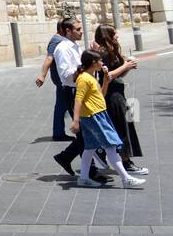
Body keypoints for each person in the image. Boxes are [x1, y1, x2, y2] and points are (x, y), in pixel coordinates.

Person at [73, 50, 146, 189]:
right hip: (94, 116)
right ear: (93, 63)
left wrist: (106, 81)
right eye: (100, 61)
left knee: (90, 148)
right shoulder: (84, 79)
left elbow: (100, 94)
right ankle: (126, 178)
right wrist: (75, 120)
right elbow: (78, 100)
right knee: (111, 146)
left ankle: (83, 178)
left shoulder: (91, 76)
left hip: (96, 114)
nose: (102, 63)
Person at [51, 17, 111, 184]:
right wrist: (85, 68)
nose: (81, 31)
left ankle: (67, 157)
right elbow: (65, 73)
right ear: (68, 31)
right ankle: (89, 170)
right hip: (72, 91)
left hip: (82, 90)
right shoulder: (63, 48)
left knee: (87, 131)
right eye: (77, 29)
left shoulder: (74, 46)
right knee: (86, 132)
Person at [92, 25, 147, 174]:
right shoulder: (103, 53)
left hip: (118, 92)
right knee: (122, 127)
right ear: (107, 36)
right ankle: (125, 162)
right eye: (114, 33)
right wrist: (126, 66)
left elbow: (119, 75)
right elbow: (108, 75)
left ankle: (102, 151)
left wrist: (127, 67)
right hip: (112, 95)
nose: (117, 36)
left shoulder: (111, 51)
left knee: (123, 126)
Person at [34, 22, 71, 140]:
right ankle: (60, 132)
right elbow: (49, 58)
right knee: (65, 104)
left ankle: (59, 132)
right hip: (61, 79)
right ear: (62, 29)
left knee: (63, 104)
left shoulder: (61, 39)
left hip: (62, 79)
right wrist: (42, 75)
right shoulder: (56, 40)